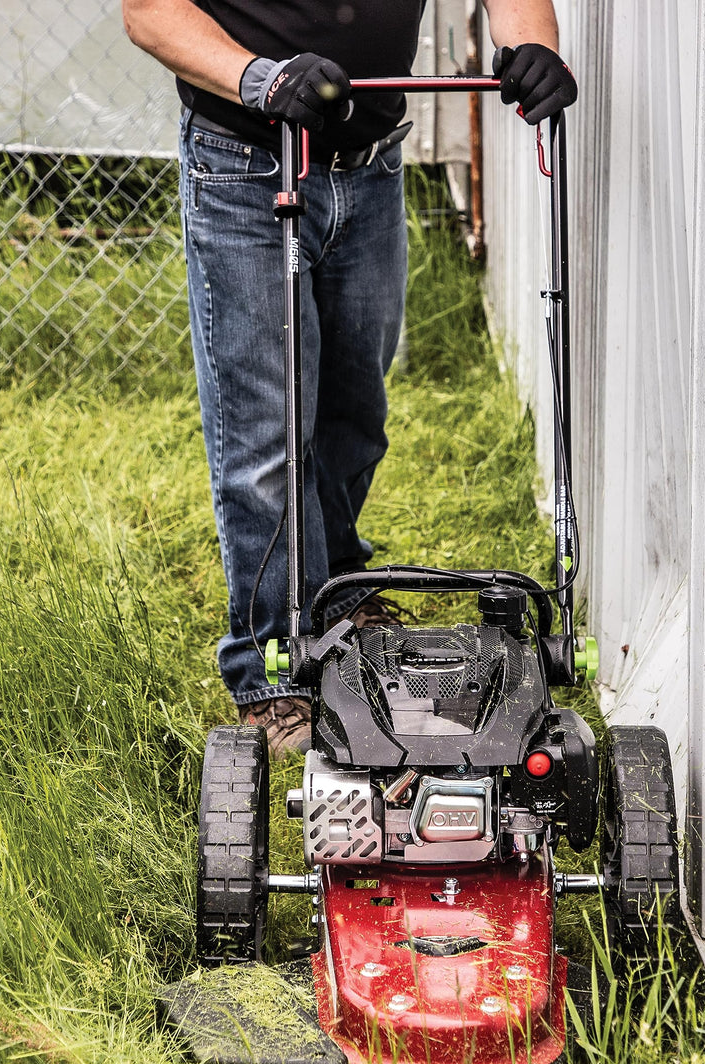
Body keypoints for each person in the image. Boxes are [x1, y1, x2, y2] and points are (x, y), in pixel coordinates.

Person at [123, 0, 577, 758]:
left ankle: (334, 604)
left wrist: (531, 49)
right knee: (268, 434)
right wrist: (261, 79)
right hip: (247, 162)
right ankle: (274, 672)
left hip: (369, 169)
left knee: (354, 417)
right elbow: (150, 12)